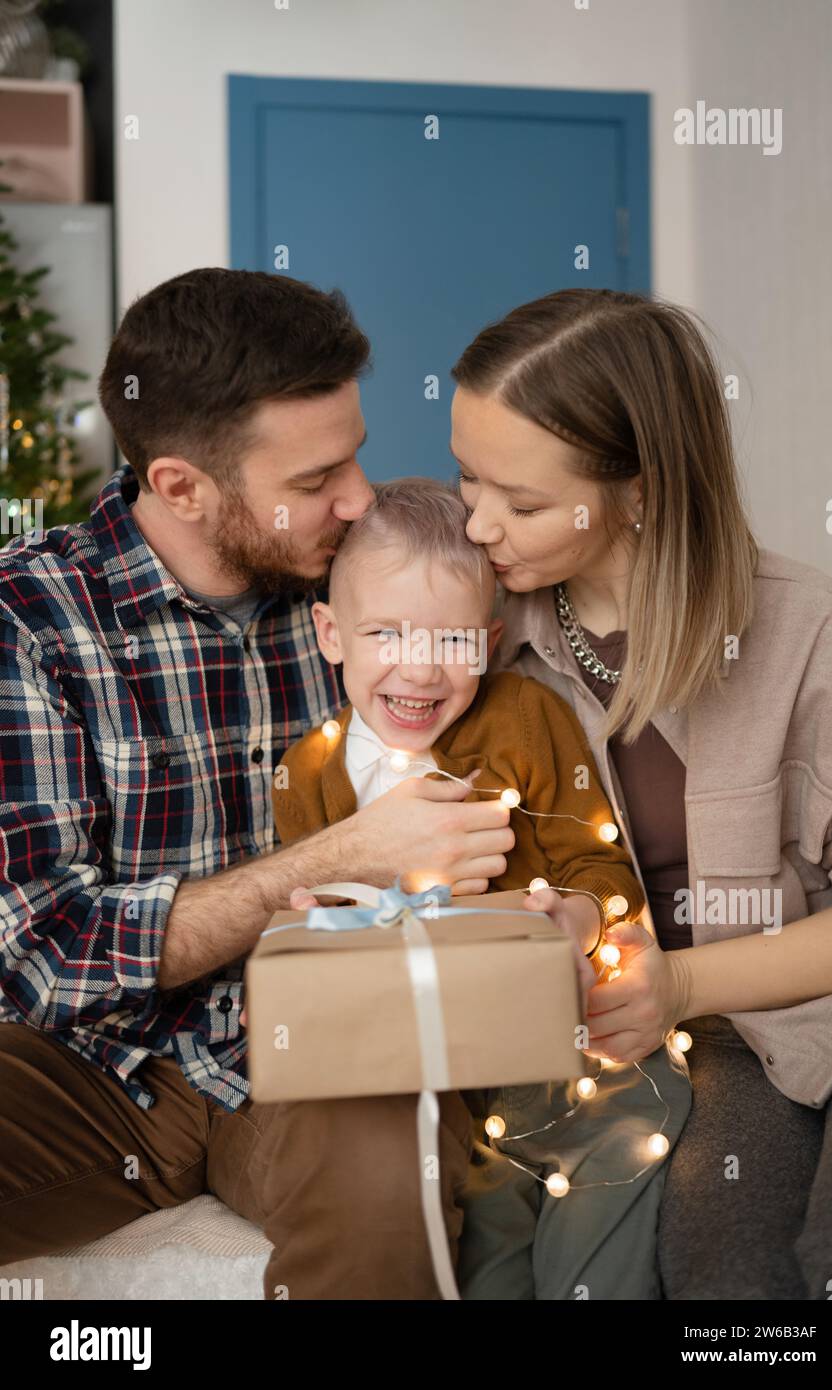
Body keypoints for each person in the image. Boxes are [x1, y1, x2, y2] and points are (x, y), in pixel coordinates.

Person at [0, 268, 516, 1301]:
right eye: (315, 478)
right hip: (81, 1069)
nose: (359, 497)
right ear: (182, 485)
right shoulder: (31, 618)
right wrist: (335, 857)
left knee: (385, 1161)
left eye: (356, 451)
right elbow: (46, 956)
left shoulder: (363, 581)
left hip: (301, 1042)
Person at [448, 286, 832, 1300]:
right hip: (703, 1048)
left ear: (637, 491)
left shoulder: (803, 627)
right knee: (720, 1269)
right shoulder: (481, 640)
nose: (476, 524)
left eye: (522, 502)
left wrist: (676, 983)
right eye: (468, 480)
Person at [269, 474, 691, 1300]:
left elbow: (603, 870)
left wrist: (577, 916)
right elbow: (314, 934)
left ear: (491, 641)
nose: (420, 671)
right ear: (331, 634)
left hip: (574, 1050)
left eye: (453, 641)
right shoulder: (306, 776)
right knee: (486, 1247)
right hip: (448, 1083)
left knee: (606, 1194)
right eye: (386, 633)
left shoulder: (526, 721)